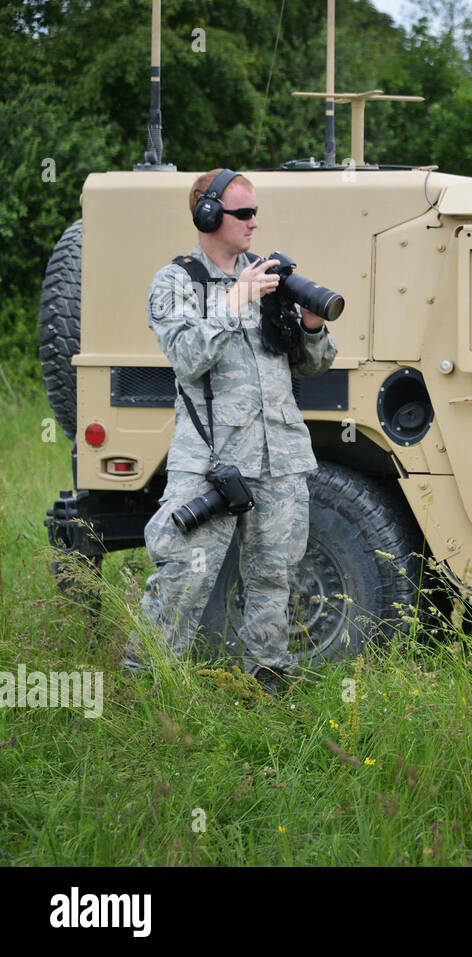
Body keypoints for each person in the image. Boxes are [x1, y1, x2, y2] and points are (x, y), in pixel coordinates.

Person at [122, 168, 338, 694]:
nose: (254, 223)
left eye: (256, 212)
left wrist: (310, 328)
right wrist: (235, 299)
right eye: (244, 214)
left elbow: (309, 367)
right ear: (208, 215)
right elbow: (188, 358)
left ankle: (267, 683)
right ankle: (146, 684)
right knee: (183, 575)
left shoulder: (269, 279)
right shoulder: (177, 282)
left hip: (279, 455)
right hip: (210, 462)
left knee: (275, 577)